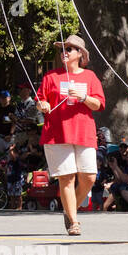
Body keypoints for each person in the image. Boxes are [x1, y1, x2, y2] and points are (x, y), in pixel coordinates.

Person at [36, 34, 106, 236]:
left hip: (84, 132)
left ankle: (69, 209)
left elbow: (100, 104)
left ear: (80, 54)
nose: (64, 53)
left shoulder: (90, 77)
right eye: (62, 50)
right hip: (57, 133)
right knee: (66, 178)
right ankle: (74, 221)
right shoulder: (51, 77)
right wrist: (43, 105)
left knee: (90, 177)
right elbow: (40, 101)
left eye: (69, 49)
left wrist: (83, 97)